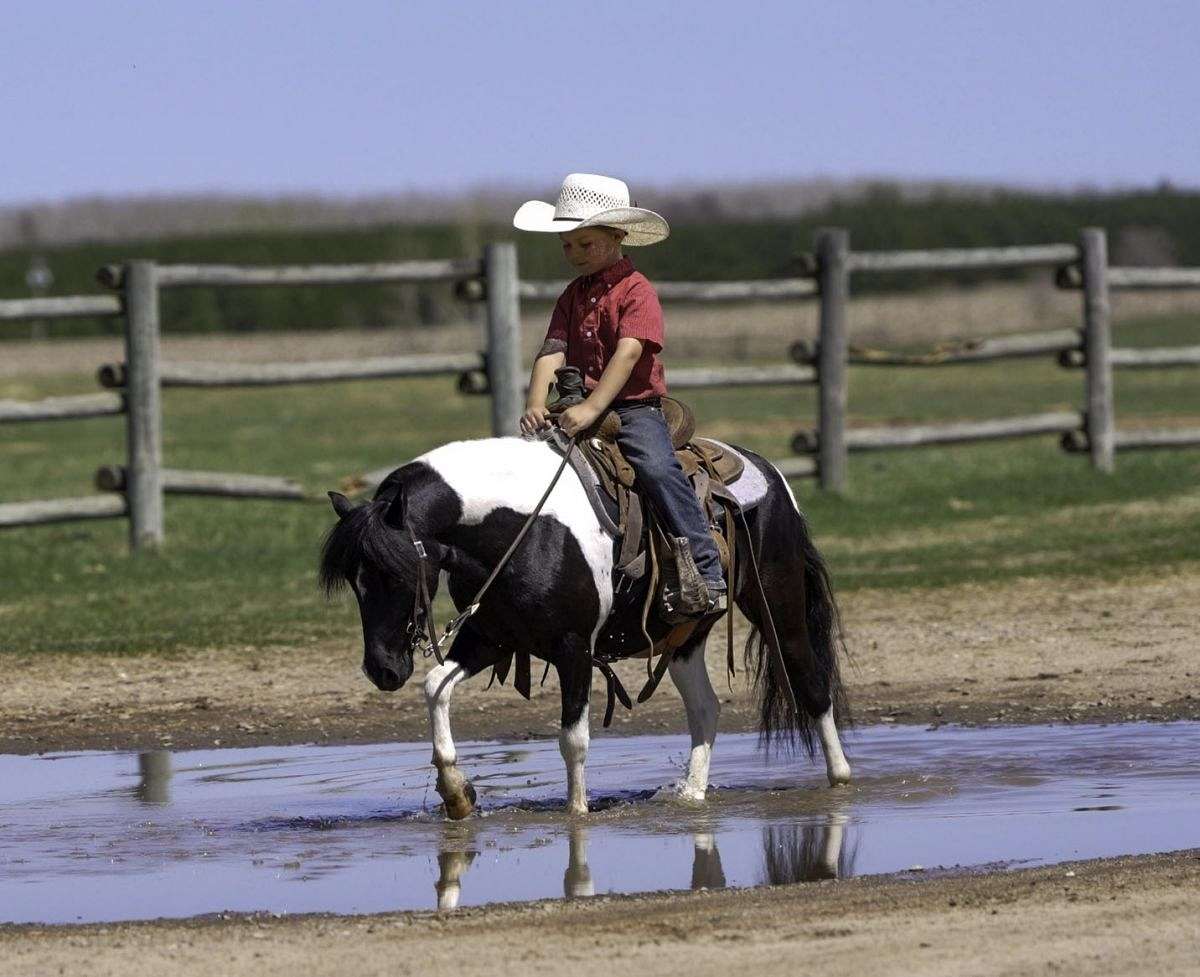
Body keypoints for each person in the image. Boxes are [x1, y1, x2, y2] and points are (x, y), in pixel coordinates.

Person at [514, 173, 726, 618]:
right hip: (575, 407)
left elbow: (629, 353)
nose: (573, 254)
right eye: (567, 245)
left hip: (634, 409)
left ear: (616, 237)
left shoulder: (637, 291)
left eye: (585, 244)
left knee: (656, 468)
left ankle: (706, 570)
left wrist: (593, 406)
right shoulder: (572, 296)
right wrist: (535, 403)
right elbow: (551, 351)